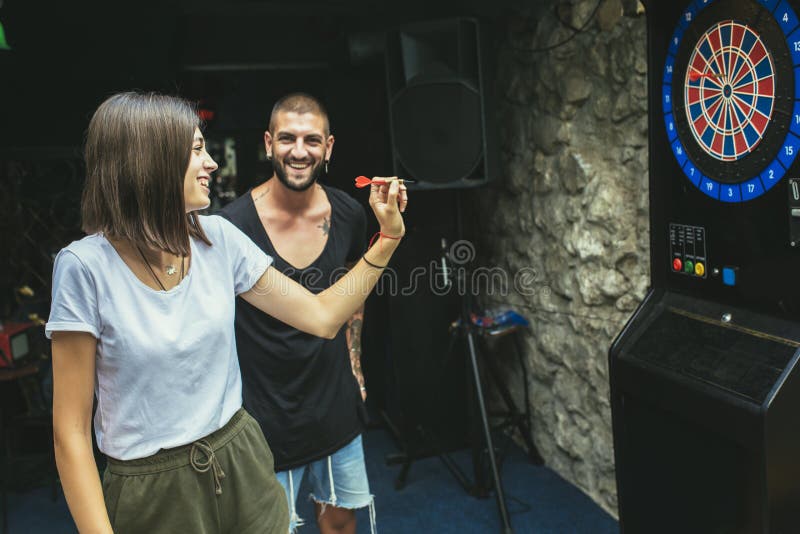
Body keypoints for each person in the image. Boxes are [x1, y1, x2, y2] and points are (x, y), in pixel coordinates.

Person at [46, 91, 407, 534]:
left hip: (240, 456)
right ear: (150, 161)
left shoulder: (218, 237)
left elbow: (322, 317)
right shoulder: (83, 267)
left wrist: (387, 240)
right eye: (197, 150)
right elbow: (71, 434)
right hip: (151, 485)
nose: (212, 164)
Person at [220, 93, 391, 534]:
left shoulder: (351, 214)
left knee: (339, 523)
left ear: (329, 147)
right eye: (287, 138)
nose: (299, 151)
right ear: (267, 143)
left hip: (333, 403)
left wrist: (356, 370)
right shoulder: (231, 226)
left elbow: (354, 298)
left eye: (311, 140)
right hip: (263, 414)